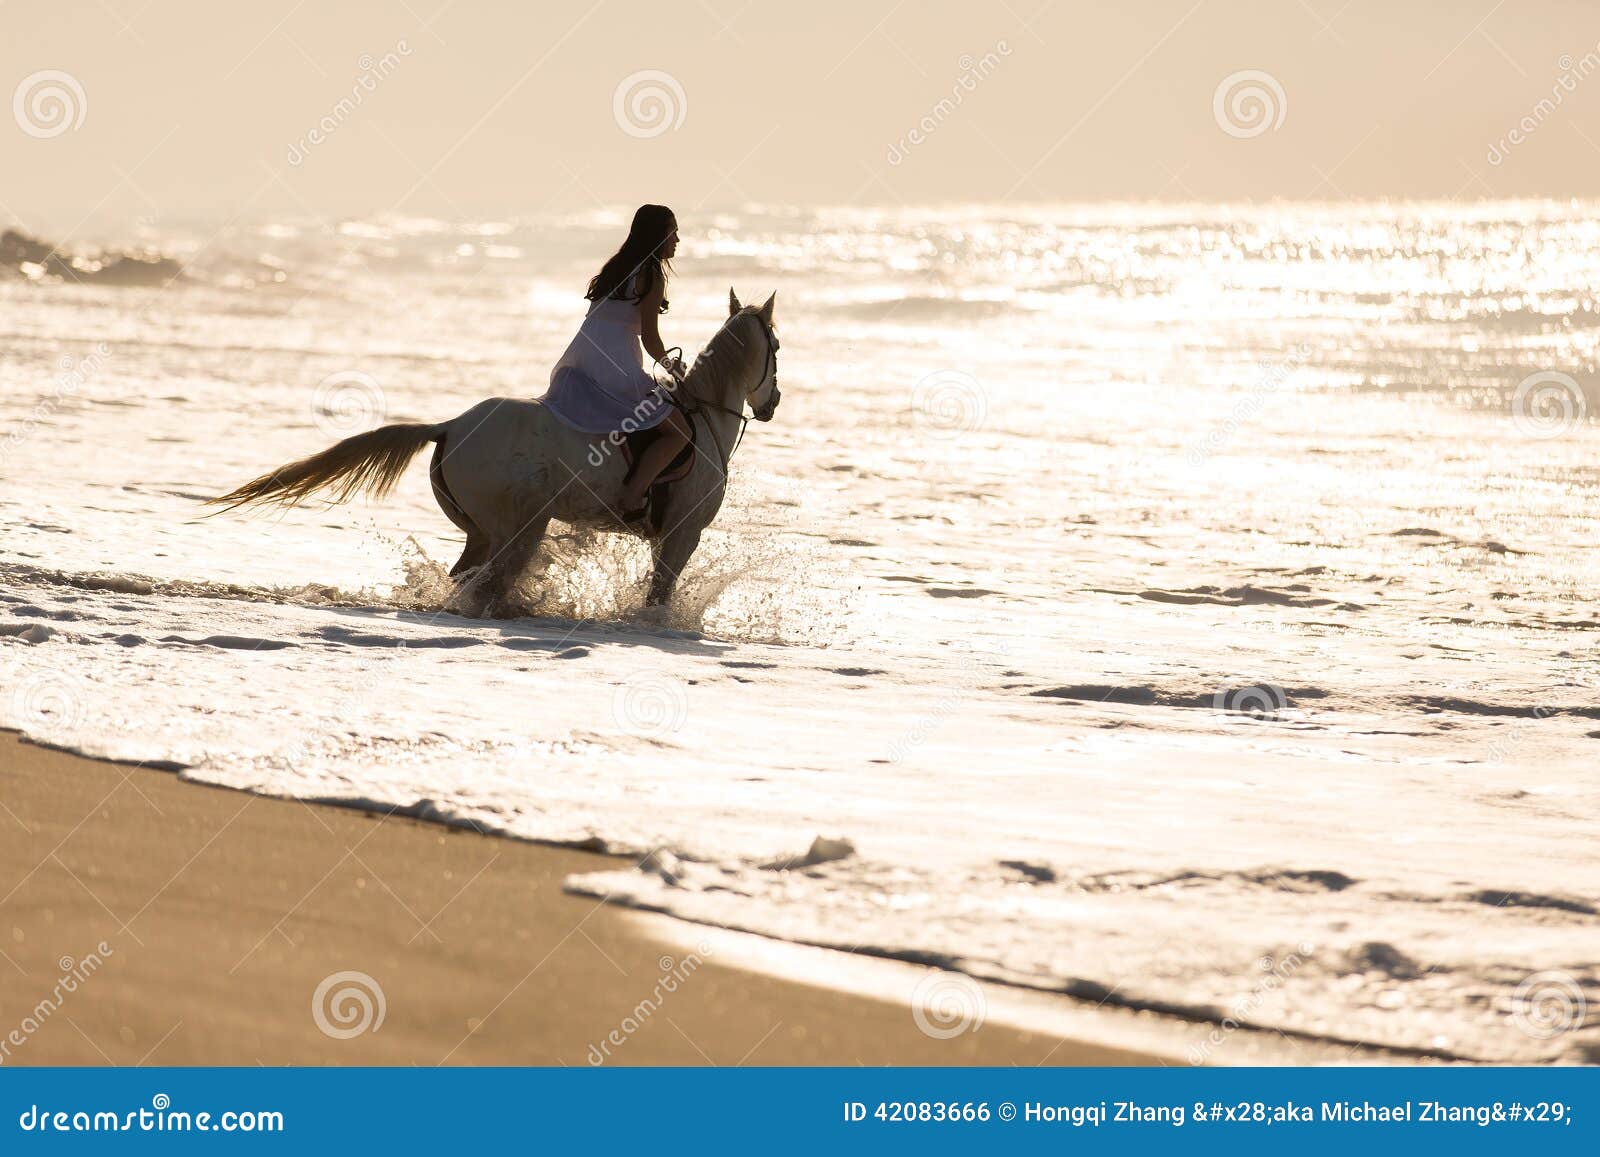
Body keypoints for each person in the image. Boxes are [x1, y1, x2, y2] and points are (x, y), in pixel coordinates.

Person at [540, 203, 693, 524]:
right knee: (679, 431)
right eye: (672, 231)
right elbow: (651, 338)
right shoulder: (651, 275)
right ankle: (632, 495)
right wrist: (672, 366)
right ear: (658, 235)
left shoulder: (617, 266)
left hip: (581, 356)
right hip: (615, 366)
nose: (677, 239)